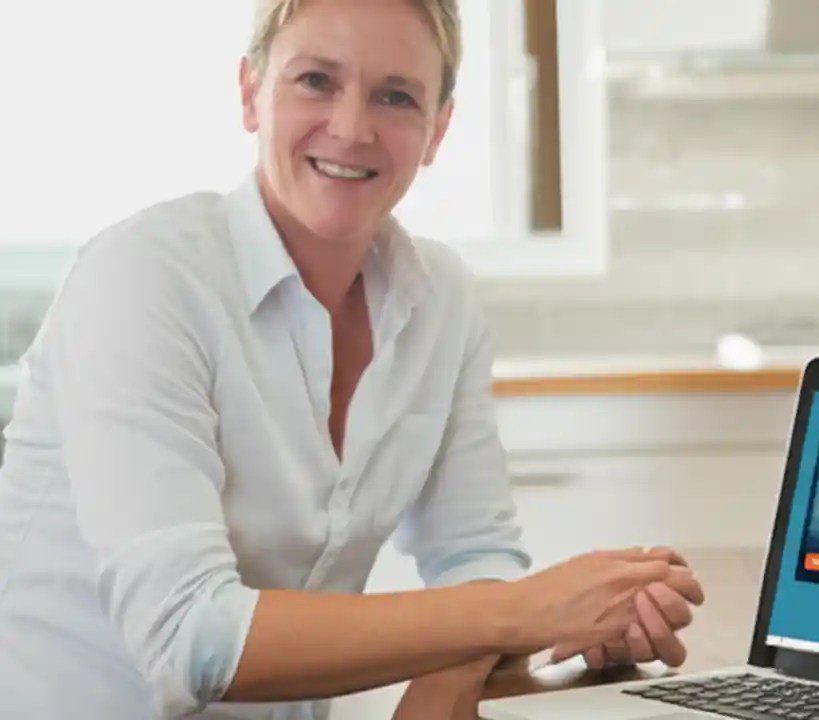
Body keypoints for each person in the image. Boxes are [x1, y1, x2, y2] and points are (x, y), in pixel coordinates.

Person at [0, 0, 704, 718]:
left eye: (396, 96)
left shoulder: (441, 301)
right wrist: (528, 612)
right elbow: (193, 636)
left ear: (438, 130)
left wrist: (457, 672)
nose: (351, 127)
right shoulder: (145, 277)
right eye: (315, 80)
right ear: (251, 92)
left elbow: (475, 554)